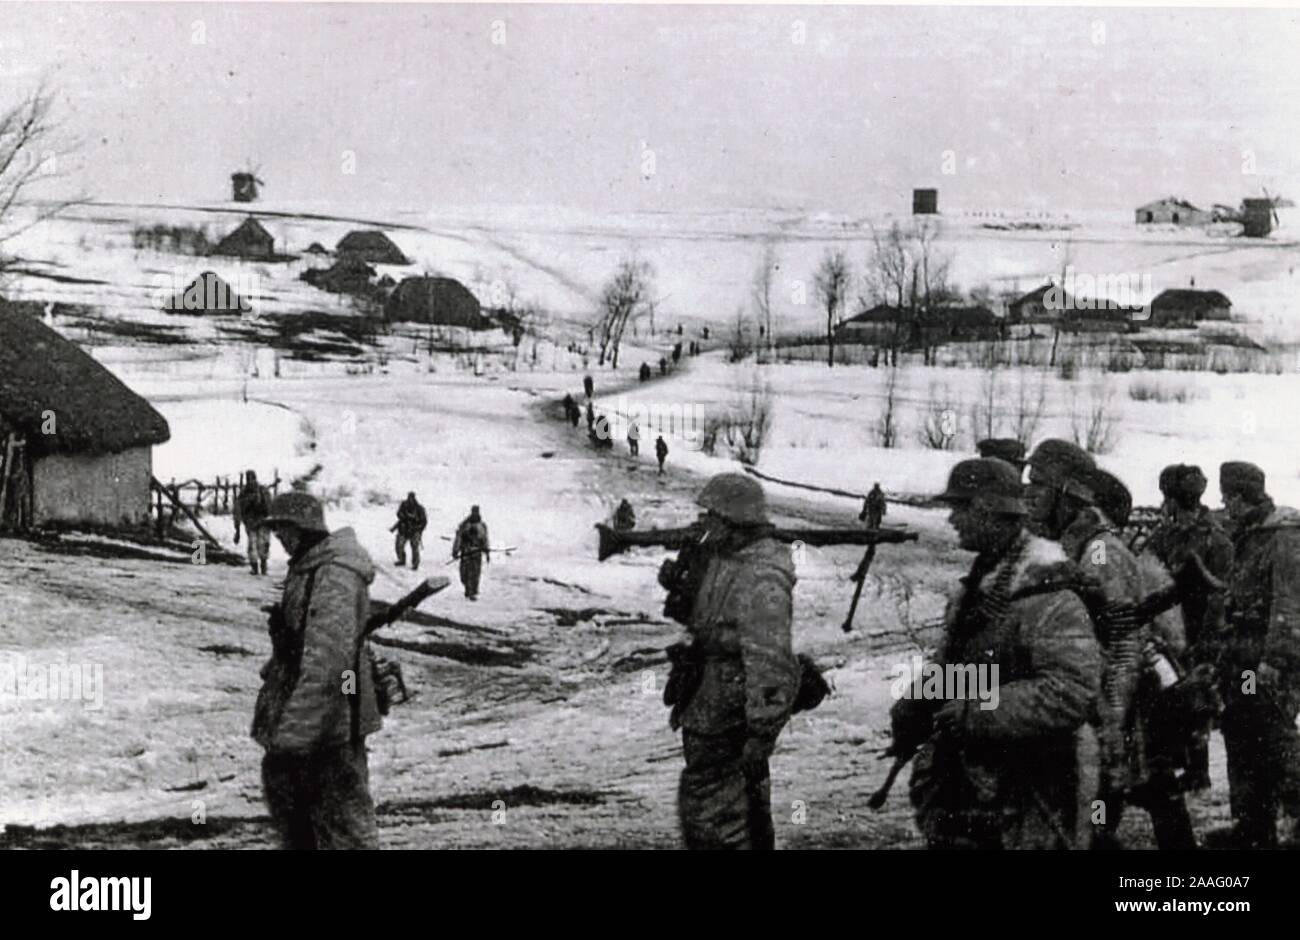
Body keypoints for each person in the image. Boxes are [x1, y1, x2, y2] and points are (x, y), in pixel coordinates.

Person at [889, 458, 1100, 849]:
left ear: (989, 510)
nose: (952, 519)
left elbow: (1070, 692)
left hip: (1031, 788)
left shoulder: (1046, 590)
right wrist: (919, 701)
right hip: (974, 779)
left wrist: (974, 710)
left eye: (961, 507)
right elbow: (973, 667)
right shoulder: (983, 582)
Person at [1024, 440, 1195, 849]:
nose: (1028, 493)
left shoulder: (1099, 553)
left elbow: (1121, 647)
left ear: (1067, 493)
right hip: (1103, 708)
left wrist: (1110, 725)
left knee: (1098, 815)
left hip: (1110, 709)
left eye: (1039, 484)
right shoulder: (1079, 547)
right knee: (1128, 802)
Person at [670, 473, 799, 849]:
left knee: (718, 821)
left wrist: (761, 733)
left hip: (730, 717)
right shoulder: (728, 559)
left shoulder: (761, 576)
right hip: (712, 708)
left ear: (734, 519)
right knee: (726, 812)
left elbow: (771, 662)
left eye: (712, 515)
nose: (704, 523)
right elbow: (710, 620)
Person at [251, 492, 382, 849]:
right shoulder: (311, 568)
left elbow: (327, 665)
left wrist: (293, 738)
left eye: (284, 529)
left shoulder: (334, 574)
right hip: (315, 727)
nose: (279, 538)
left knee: (345, 835)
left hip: (328, 730)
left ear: (303, 528)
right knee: (302, 831)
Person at [1210, 461, 1300, 848]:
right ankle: (1252, 824)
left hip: (1264, 658)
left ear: (1244, 497)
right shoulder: (1249, 534)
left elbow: (1289, 602)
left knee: (1273, 736)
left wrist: (1274, 661)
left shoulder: (1284, 535)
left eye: (1228, 498)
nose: (1225, 506)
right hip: (1242, 657)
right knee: (1242, 732)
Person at [1145, 464, 1233, 792]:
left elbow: (1220, 593)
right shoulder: (1166, 533)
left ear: (1171, 499)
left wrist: (1209, 637)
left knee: (1198, 695)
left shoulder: (1214, 537)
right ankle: (1185, 764)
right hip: (1170, 626)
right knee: (1179, 693)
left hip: (1198, 627)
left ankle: (1198, 770)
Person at [233, 470, 272, 576]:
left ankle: (261, 568)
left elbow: (269, 508)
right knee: (254, 545)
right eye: (249, 479)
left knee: (260, 544)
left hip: (260, 522)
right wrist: (237, 530)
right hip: (253, 523)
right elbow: (237, 511)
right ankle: (257, 568)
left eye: (251, 478)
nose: (250, 481)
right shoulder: (245, 493)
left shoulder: (260, 491)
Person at [452, 505, 491, 600]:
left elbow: (485, 539)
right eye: (474, 511)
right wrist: (455, 550)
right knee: (464, 574)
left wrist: (486, 551)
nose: (475, 513)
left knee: (475, 573)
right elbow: (459, 538)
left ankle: (472, 591)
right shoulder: (464, 525)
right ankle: (467, 587)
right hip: (466, 552)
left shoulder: (482, 526)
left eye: (476, 511)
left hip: (477, 553)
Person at [393, 491, 427, 569]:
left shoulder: (419, 508)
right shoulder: (404, 505)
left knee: (415, 547)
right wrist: (404, 517)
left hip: (414, 531)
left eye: (412, 498)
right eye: (409, 498)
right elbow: (398, 514)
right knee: (399, 546)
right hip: (404, 529)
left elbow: (424, 521)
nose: (410, 500)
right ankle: (401, 559)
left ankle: (415, 563)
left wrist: (418, 529)